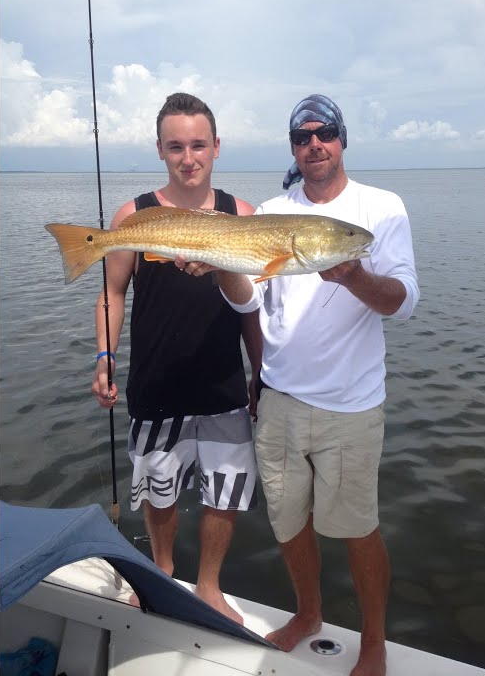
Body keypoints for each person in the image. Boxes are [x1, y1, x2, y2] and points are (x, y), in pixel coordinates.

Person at [181, 93, 419, 676]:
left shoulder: (380, 209)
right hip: (280, 400)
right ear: (293, 148)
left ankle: (373, 642)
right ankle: (309, 614)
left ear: (342, 139)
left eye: (325, 132)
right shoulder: (267, 212)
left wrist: (356, 275)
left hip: (351, 406)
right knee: (288, 524)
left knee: (358, 529)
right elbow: (251, 298)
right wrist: (222, 266)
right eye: (302, 136)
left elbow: (404, 302)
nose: (314, 143)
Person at [89, 92, 262, 625]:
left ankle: (209, 585)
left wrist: (261, 374)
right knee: (159, 493)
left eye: (199, 145)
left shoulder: (243, 215)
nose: (189, 157)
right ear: (161, 150)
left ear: (216, 148)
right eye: (176, 146)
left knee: (224, 494)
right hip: (156, 383)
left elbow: (253, 310)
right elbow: (113, 292)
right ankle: (161, 572)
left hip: (223, 386)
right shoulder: (134, 215)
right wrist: (104, 356)